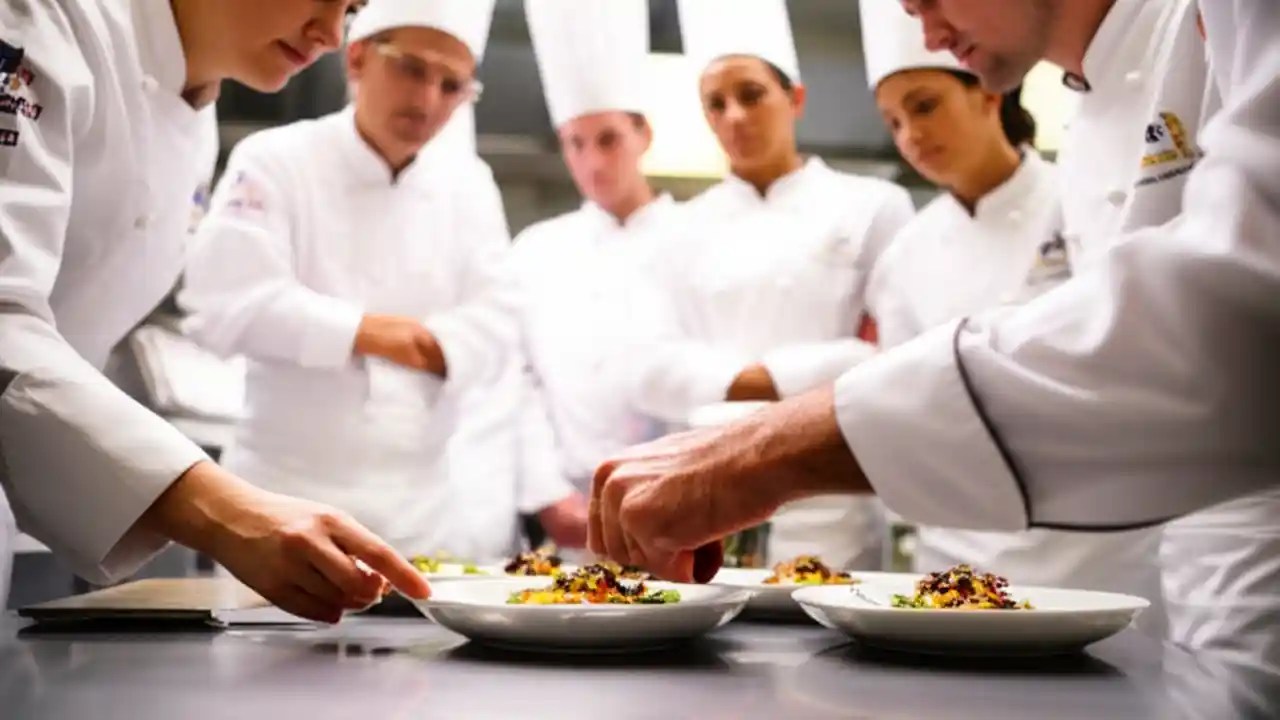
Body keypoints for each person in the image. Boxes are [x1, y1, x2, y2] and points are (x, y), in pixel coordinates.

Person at [588, 0, 1280, 635]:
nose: (926, 27)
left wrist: (765, 448)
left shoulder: (1202, 29)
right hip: (1146, 560)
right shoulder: (1086, 117)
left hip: (1156, 555)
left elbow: (1222, 325)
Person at [0, 0, 429, 623]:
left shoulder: (197, 122)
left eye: (353, 8)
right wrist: (223, 510)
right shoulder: (42, 21)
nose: (332, 35)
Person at [859, 0, 1163, 629]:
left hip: (1098, 564)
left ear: (987, 97)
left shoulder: (1076, 189)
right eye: (892, 122)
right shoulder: (904, 255)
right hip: (956, 567)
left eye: (925, 105)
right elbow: (903, 406)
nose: (911, 136)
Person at [181, 0, 521, 561]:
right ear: (357, 58)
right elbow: (225, 306)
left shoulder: (470, 184)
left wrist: (364, 334)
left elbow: (497, 328)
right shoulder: (274, 160)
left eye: (452, 84)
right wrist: (375, 334)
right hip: (280, 504)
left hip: (423, 517)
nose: (429, 100)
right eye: (411, 68)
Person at [618, 0, 916, 570]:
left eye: (751, 94)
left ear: (795, 98)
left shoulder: (871, 206)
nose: (734, 116)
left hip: (831, 499)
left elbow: (894, 360)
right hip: (706, 494)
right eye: (716, 104)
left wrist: (728, 380)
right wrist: (802, 376)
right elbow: (646, 372)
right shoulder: (676, 228)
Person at [495, 0, 674, 522]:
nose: (593, 162)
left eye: (608, 139)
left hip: (676, 502)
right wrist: (548, 495)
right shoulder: (535, 249)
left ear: (644, 134)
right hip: (567, 509)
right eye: (576, 144)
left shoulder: (699, 238)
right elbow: (515, 378)